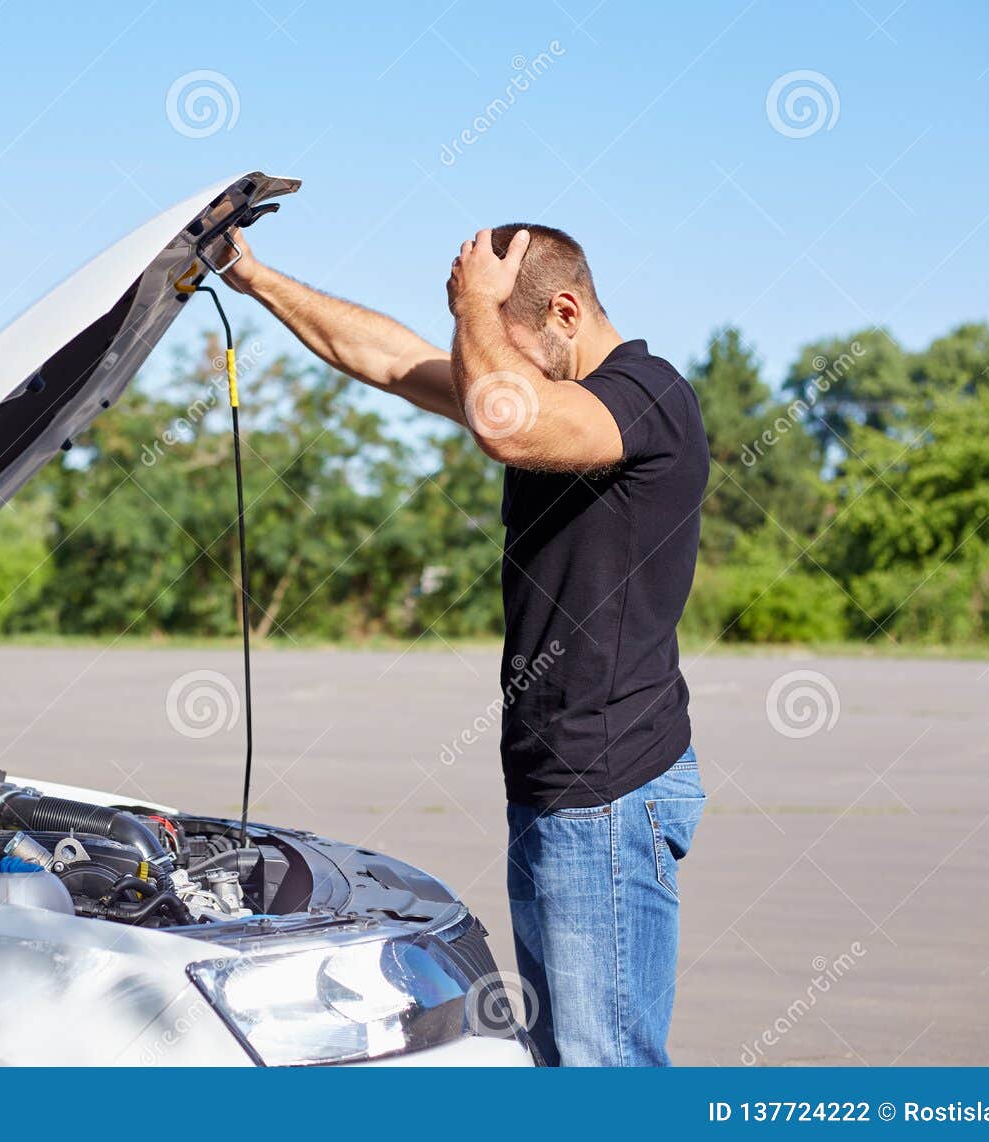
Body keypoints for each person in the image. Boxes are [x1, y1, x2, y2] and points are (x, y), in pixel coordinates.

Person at [221, 224, 709, 1066]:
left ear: (566, 310)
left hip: (608, 790)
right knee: (566, 1060)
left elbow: (503, 419)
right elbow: (388, 359)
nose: (495, 367)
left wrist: (476, 304)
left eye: (508, 344)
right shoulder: (547, 394)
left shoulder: (645, 394)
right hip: (558, 787)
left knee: (604, 1068)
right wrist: (254, 277)